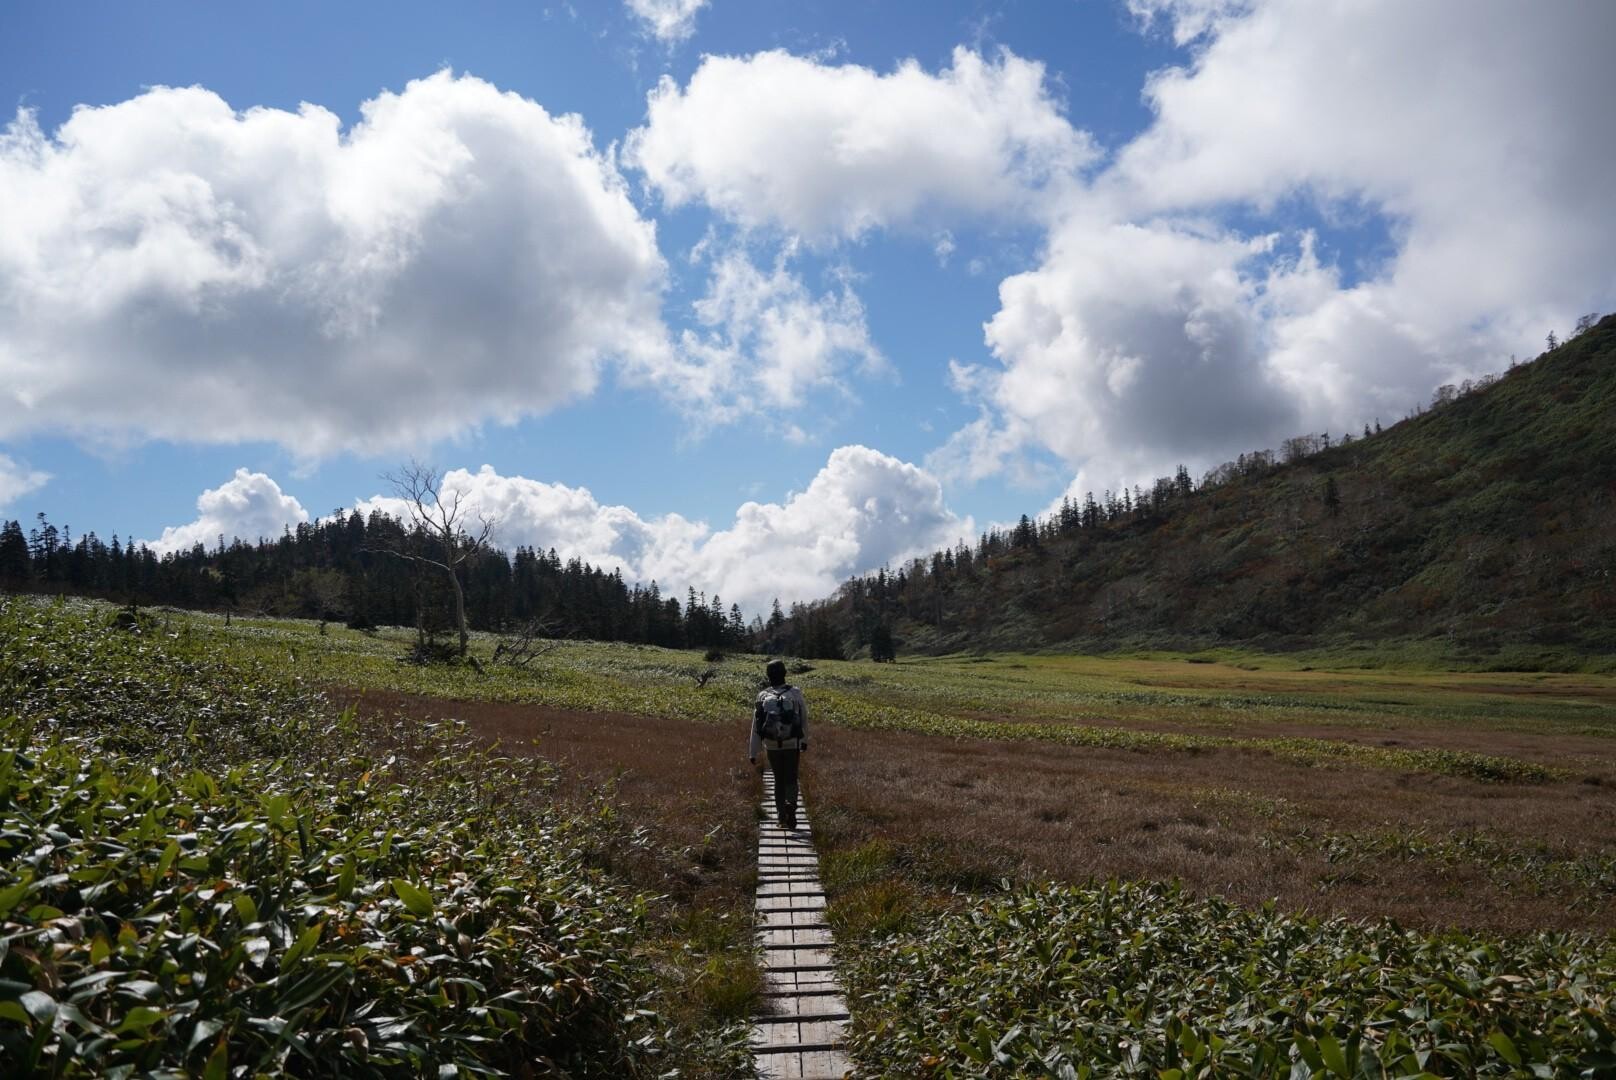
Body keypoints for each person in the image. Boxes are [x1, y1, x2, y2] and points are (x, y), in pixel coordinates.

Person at [749, 658, 809, 830]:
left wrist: (753, 752)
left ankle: (782, 817)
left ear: (768, 676)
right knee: (791, 778)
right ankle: (792, 805)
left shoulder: (762, 695)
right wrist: (804, 740)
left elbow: (756, 726)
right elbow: (804, 717)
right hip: (792, 743)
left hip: (772, 745)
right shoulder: (795, 693)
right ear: (785, 673)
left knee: (778, 780)